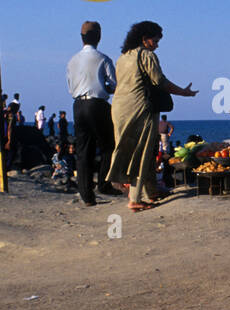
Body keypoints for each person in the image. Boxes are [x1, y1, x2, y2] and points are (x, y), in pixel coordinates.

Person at [107, 21, 197, 210]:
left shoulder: (123, 57)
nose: (156, 45)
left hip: (118, 107)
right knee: (142, 150)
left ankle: (150, 191)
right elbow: (160, 82)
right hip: (139, 107)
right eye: (155, 41)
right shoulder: (147, 55)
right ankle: (135, 198)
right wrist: (184, 92)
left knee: (133, 149)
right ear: (144, 39)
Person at [67, 20, 122, 206]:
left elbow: (70, 86)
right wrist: (105, 87)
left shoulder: (72, 60)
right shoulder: (103, 59)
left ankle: (86, 194)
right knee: (109, 145)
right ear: (99, 37)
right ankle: (104, 184)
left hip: (78, 105)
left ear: (81, 37)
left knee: (83, 151)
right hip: (97, 104)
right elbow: (115, 84)